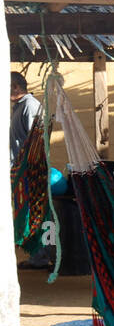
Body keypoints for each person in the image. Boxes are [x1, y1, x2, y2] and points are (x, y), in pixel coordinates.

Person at [11, 72, 55, 269]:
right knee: (26, 212)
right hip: (18, 170)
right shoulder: (19, 107)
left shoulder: (30, 106)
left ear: (15, 87)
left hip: (29, 170)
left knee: (33, 213)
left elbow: (35, 141)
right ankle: (37, 255)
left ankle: (41, 256)